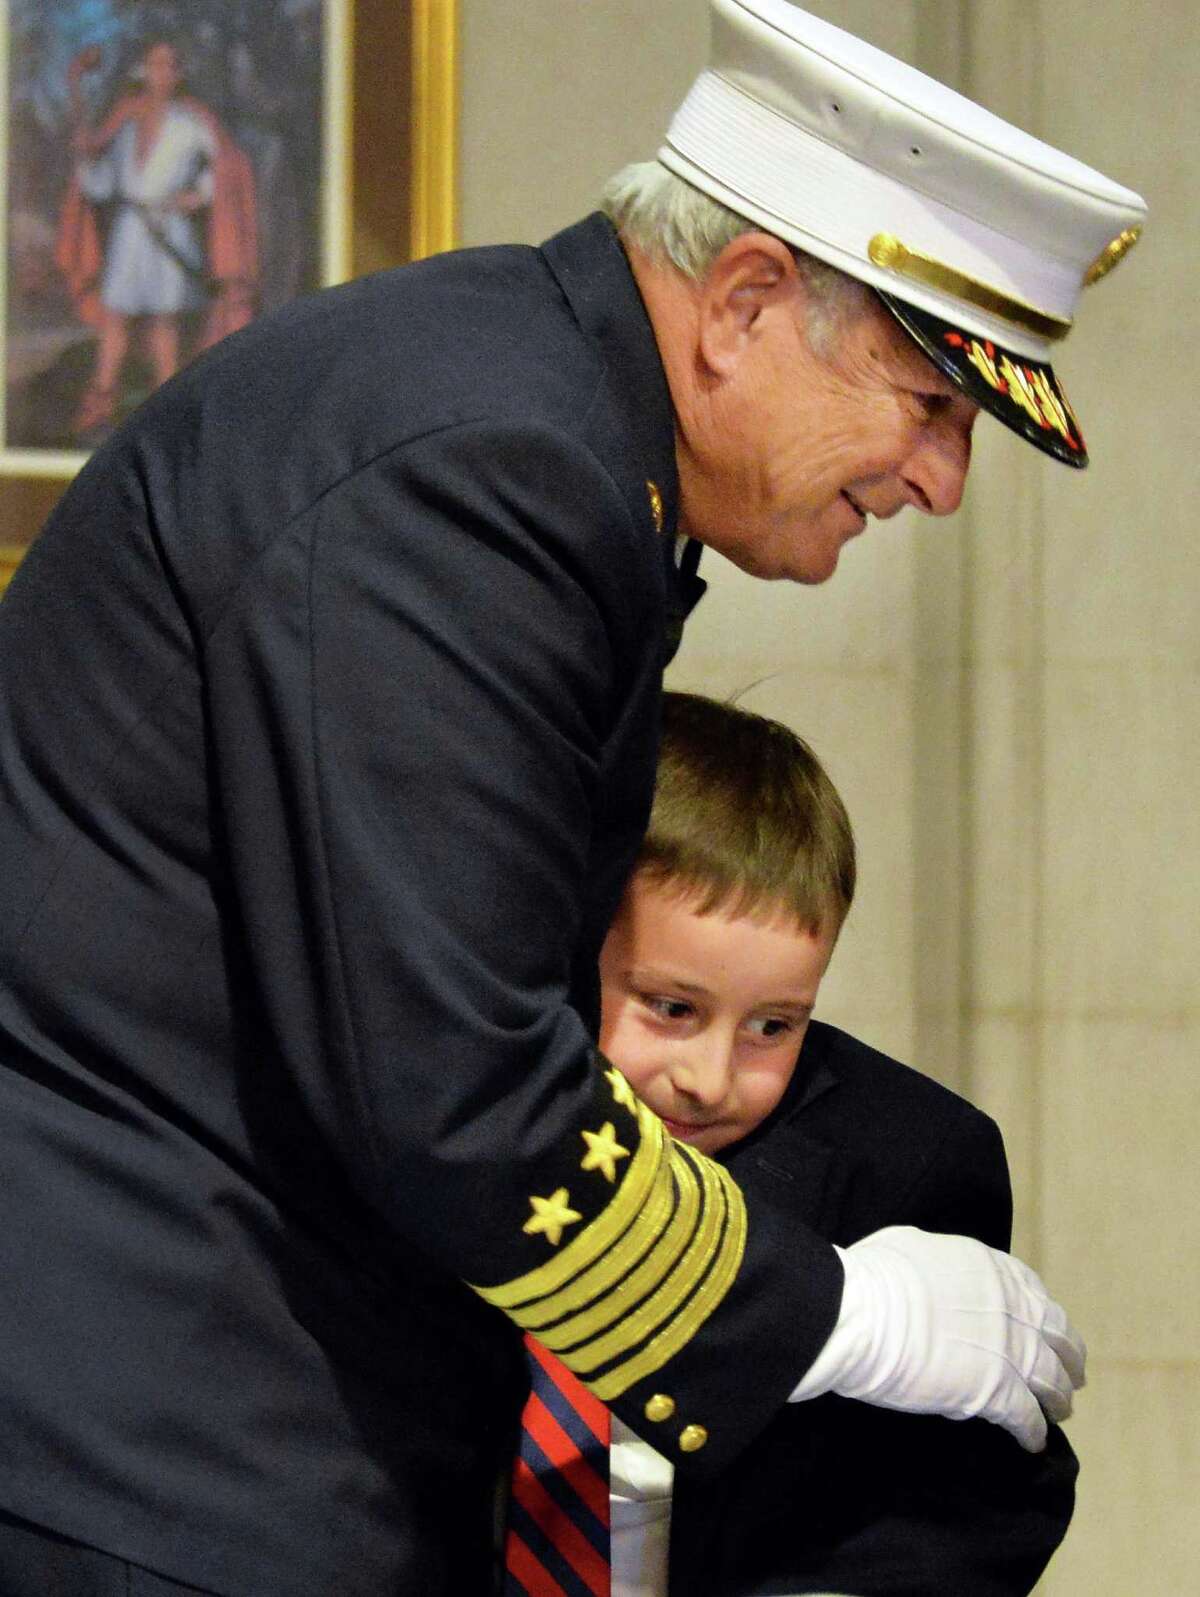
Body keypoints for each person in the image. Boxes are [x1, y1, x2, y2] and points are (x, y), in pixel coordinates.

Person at [0, 3, 1141, 1593]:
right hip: (158, 1457)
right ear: (744, 300)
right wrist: (833, 1316)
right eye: (931, 401)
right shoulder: (486, 474)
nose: (941, 480)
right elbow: (457, 1099)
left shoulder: (525, 418)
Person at [594, 691, 1077, 1596]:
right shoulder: (440, 1108)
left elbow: (971, 1500)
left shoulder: (904, 1161)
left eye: (773, 1025)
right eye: (672, 1007)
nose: (710, 1076)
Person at [55, 38, 258, 438]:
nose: (160, 72)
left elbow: (227, 169)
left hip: (169, 231)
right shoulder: (126, 120)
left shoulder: (193, 121)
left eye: (168, 65)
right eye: (153, 64)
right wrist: (86, 161)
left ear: (178, 74)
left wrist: (196, 195)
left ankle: (166, 419)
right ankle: (99, 411)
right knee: (116, 320)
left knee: (164, 326)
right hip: (132, 233)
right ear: (141, 71)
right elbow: (104, 184)